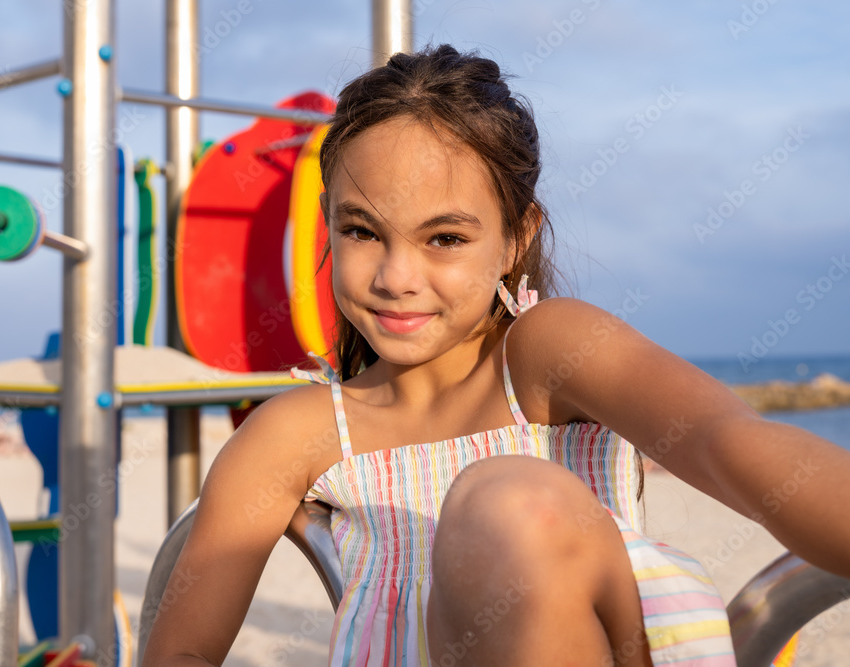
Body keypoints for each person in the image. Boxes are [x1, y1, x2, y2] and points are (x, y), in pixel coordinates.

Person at [143, 44, 850, 666]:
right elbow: (178, 649)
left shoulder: (546, 355)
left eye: (444, 238)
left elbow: (733, 445)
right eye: (361, 231)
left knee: (508, 502)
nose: (395, 277)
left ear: (516, 237)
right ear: (328, 218)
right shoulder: (296, 433)